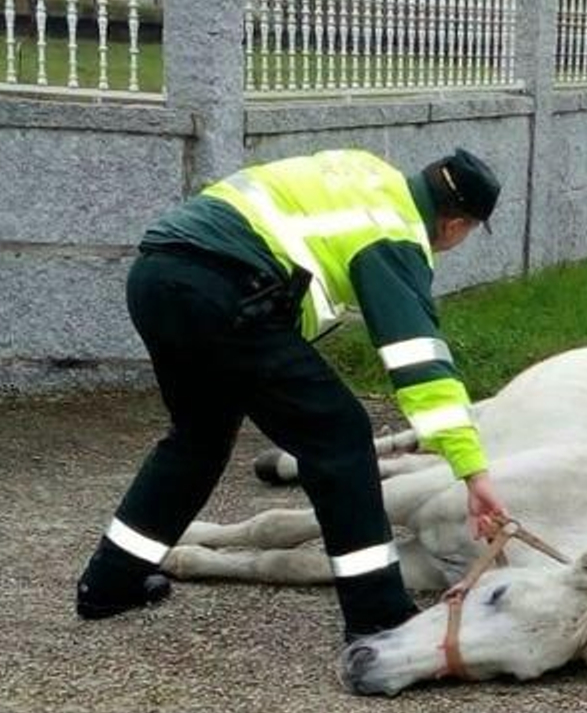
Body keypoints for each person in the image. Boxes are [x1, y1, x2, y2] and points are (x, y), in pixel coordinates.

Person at [75, 147, 508, 647]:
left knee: (198, 439)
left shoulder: (364, 172)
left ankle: (109, 583)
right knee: (341, 437)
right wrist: (473, 471)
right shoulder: (395, 231)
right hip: (227, 291)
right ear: (456, 226)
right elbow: (419, 364)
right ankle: (380, 617)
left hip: (157, 274)